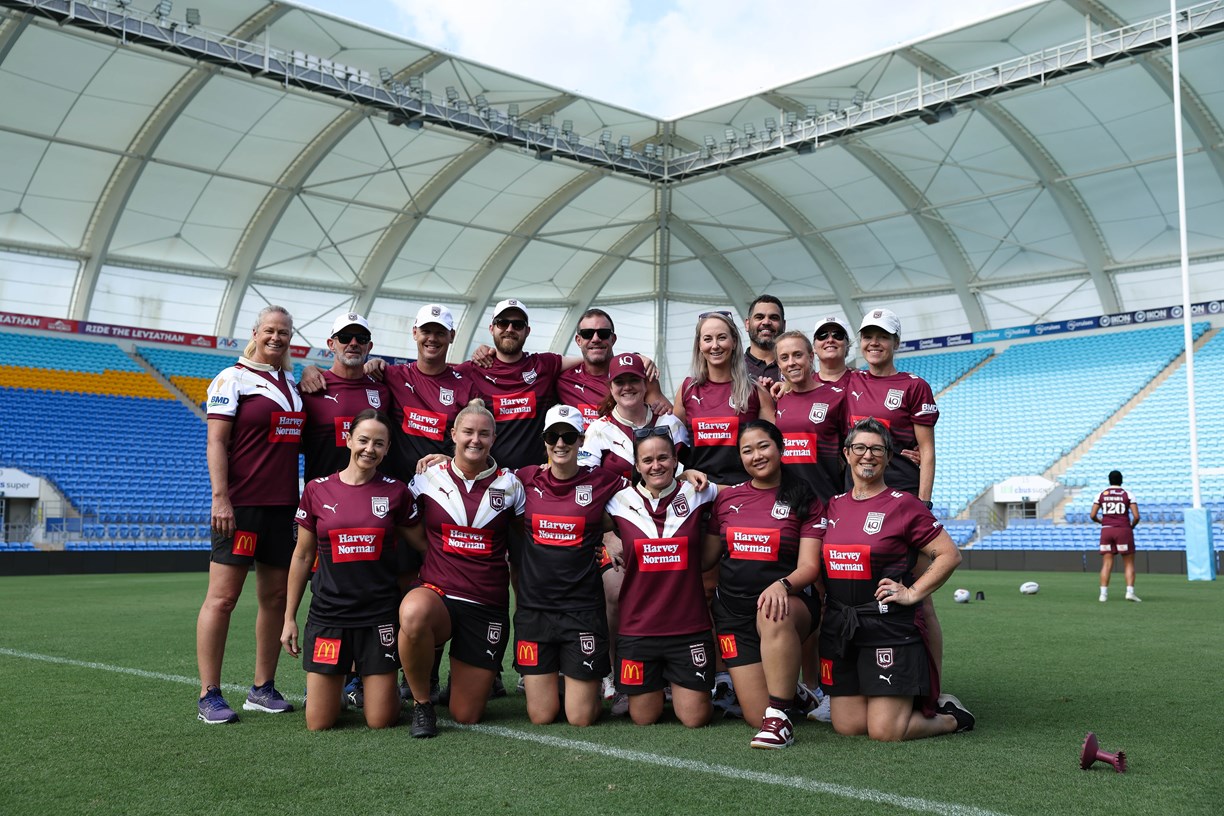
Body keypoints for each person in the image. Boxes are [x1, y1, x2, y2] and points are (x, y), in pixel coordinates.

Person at [819, 418, 972, 741]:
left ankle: (952, 718)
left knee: (885, 731)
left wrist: (912, 592)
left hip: (888, 628)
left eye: (877, 449)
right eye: (860, 448)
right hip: (842, 627)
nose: (868, 455)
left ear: (889, 457)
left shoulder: (904, 505)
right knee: (848, 725)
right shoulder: (833, 506)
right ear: (846, 453)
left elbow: (949, 554)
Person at [196, 305, 303, 724]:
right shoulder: (232, 378)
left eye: (284, 332)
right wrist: (220, 498)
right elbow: (216, 442)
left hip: (283, 508)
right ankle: (209, 694)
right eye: (270, 330)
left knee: (275, 598)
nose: (277, 337)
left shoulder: (292, 383)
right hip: (241, 508)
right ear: (255, 333)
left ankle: (262, 689)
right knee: (223, 599)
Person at [280, 410, 420, 730]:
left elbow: (424, 544)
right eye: (363, 440)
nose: (370, 449)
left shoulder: (396, 492)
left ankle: (373, 688)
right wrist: (289, 618)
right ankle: (337, 691)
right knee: (319, 722)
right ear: (348, 440)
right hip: (329, 615)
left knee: (381, 720)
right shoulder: (317, 489)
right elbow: (302, 556)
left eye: (379, 443)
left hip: (378, 616)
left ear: (387, 449)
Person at [397, 400, 526, 737]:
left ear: (494, 438)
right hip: (438, 593)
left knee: (466, 714)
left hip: (486, 603)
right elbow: (404, 521)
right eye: (468, 432)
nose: (475, 440)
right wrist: (431, 550)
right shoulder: (427, 478)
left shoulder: (511, 485)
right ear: (453, 434)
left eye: (484, 434)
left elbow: (529, 533)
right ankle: (422, 704)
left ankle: (460, 673)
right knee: (413, 612)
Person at [577, 352, 688, 710]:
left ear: (645, 383)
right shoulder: (598, 429)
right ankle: (616, 673)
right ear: (610, 386)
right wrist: (608, 535)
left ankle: (666, 672)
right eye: (620, 381)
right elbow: (588, 487)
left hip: (668, 528)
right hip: (618, 531)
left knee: (672, 592)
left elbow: (685, 476)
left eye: (634, 380)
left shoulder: (670, 423)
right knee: (616, 592)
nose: (627, 387)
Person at [706, 420, 824, 749]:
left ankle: (781, 722)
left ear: (780, 448)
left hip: (788, 604)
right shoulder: (727, 499)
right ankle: (791, 693)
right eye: (747, 450)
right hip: (733, 612)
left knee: (772, 611)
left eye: (763, 446)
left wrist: (782, 585)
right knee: (755, 714)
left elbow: (810, 566)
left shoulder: (804, 497)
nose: (756, 455)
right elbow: (705, 558)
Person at [512, 405, 628, 725]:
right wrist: (442, 459)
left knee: (580, 718)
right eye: (553, 436)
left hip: (582, 610)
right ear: (544, 440)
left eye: (568, 436)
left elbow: (647, 492)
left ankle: (581, 683)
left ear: (581, 440)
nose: (560, 443)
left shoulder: (603, 481)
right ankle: (565, 678)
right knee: (541, 716)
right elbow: (481, 473)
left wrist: (610, 534)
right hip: (535, 611)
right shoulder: (524, 478)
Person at [846, 307, 945, 671]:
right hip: (855, 501)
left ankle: (933, 684)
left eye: (883, 337)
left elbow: (928, 451)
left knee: (919, 596)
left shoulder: (913, 385)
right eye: (868, 336)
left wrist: (923, 504)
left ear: (896, 342)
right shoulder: (850, 382)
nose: (874, 343)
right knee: (854, 590)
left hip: (901, 502)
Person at [604, 430, 721, 727]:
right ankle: (660, 685)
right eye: (647, 460)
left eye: (663, 458)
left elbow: (743, 495)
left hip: (688, 627)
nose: (656, 465)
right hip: (639, 628)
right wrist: (606, 538)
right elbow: (580, 512)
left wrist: (689, 474)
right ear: (637, 465)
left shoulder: (698, 492)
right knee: (644, 717)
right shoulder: (618, 501)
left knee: (695, 718)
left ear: (675, 460)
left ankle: (679, 685)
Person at [453, 299, 582, 470]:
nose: (509, 329)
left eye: (518, 325)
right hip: (489, 477)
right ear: (492, 328)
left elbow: (589, 361)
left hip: (533, 478)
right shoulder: (470, 371)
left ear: (527, 331)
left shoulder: (544, 364)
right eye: (502, 323)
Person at [674, 311, 775, 486]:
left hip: (742, 492)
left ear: (734, 342)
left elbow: (777, 446)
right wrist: (684, 474)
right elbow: (670, 446)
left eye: (722, 338)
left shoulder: (755, 390)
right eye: (707, 339)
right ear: (699, 345)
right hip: (700, 492)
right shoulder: (687, 389)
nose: (715, 346)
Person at [298, 313, 390, 481]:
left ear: (369, 346)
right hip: (322, 493)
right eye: (345, 338)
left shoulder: (383, 391)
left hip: (372, 492)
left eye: (361, 339)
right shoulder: (309, 388)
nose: (353, 343)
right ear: (331, 344)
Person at [772, 329, 848, 501]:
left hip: (826, 498)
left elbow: (852, 447)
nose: (791, 363)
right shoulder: (777, 399)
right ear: (778, 364)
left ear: (811, 357)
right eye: (784, 358)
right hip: (787, 501)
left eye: (797, 355)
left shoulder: (837, 397)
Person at [1091, 470, 1141, 602]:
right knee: (1128, 563)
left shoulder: (1101, 494)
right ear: (1121, 480)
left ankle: (1103, 595)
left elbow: (1092, 515)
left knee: (1107, 563)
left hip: (1106, 530)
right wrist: (1131, 526)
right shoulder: (1128, 494)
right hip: (1123, 530)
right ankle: (1130, 592)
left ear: (1109, 480)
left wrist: (1101, 521)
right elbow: (1136, 516)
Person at [743, 295, 786, 381]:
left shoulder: (794, 368)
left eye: (774, 318)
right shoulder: (732, 367)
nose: (766, 322)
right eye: (759, 317)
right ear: (747, 324)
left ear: (784, 325)